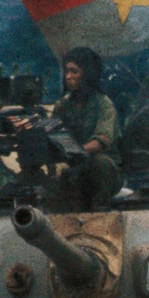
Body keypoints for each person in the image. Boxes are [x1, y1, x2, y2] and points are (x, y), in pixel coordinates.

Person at [51, 46, 122, 210]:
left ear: (87, 74)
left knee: (100, 162)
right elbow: (54, 134)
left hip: (104, 174)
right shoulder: (63, 106)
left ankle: (100, 208)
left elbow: (101, 141)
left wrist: (73, 152)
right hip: (74, 169)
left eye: (74, 72)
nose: (68, 77)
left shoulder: (104, 105)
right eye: (66, 71)